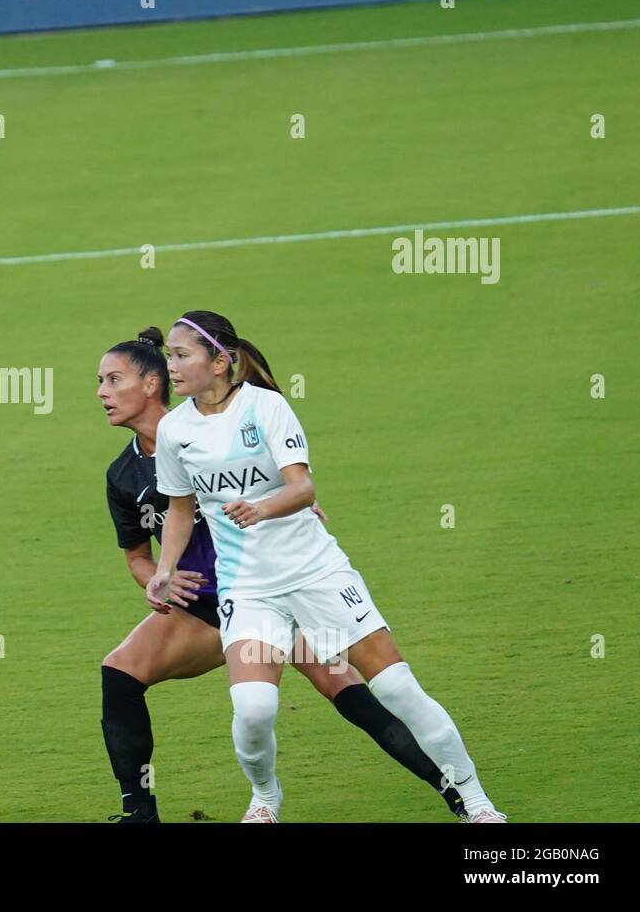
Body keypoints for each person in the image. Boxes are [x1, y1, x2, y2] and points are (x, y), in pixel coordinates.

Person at [147, 311, 505, 822]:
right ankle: (266, 797)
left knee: (397, 688)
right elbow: (181, 508)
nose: (173, 368)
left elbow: (303, 488)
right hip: (248, 588)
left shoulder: (265, 407)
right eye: (170, 357)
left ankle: (476, 803)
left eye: (182, 356)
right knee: (253, 710)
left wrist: (261, 507)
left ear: (220, 361)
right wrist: (164, 568)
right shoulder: (175, 428)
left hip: (317, 574)